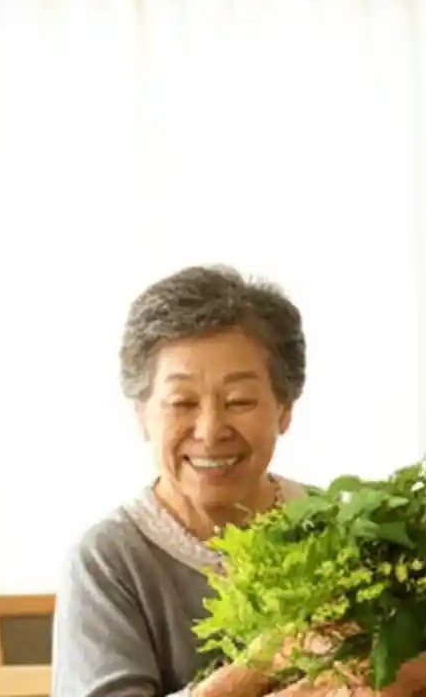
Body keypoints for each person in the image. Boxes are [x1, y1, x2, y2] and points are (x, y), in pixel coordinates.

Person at [49, 265, 317, 697]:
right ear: (142, 414)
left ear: (284, 409)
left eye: (239, 401)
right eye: (182, 402)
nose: (210, 431)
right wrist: (263, 664)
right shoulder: (109, 561)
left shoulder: (338, 528)